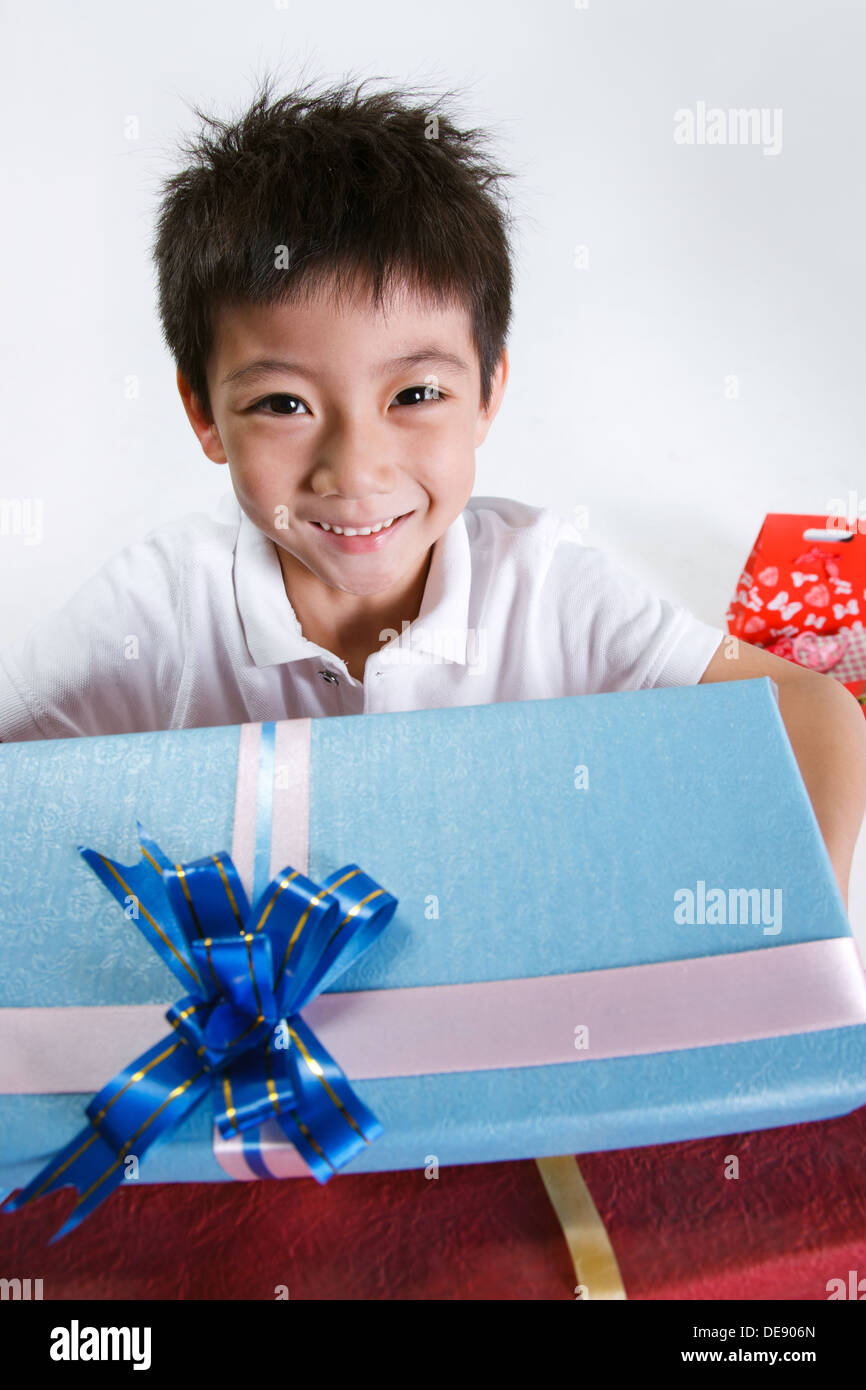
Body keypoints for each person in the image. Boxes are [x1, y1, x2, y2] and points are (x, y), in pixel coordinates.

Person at [0, 74, 863, 905]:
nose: (358, 470)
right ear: (205, 414)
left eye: (415, 395)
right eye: (281, 403)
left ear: (488, 395)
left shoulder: (544, 582)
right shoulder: (155, 610)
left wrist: (813, 950)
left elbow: (810, 707)